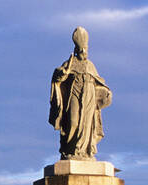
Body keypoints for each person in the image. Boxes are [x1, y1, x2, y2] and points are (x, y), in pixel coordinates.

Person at [48, 26, 112, 160]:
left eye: (86, 49)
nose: (84, 52)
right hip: (74, 94)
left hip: (89, 96)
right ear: (77, 50)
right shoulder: (69, 63)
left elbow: (99, 82)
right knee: (73, 121)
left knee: (87, 125)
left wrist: (106, 93)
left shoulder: (90, 65)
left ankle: (85, 151)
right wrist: (63, 73)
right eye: (82, 49)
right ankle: (70, 150)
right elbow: (58, 77)